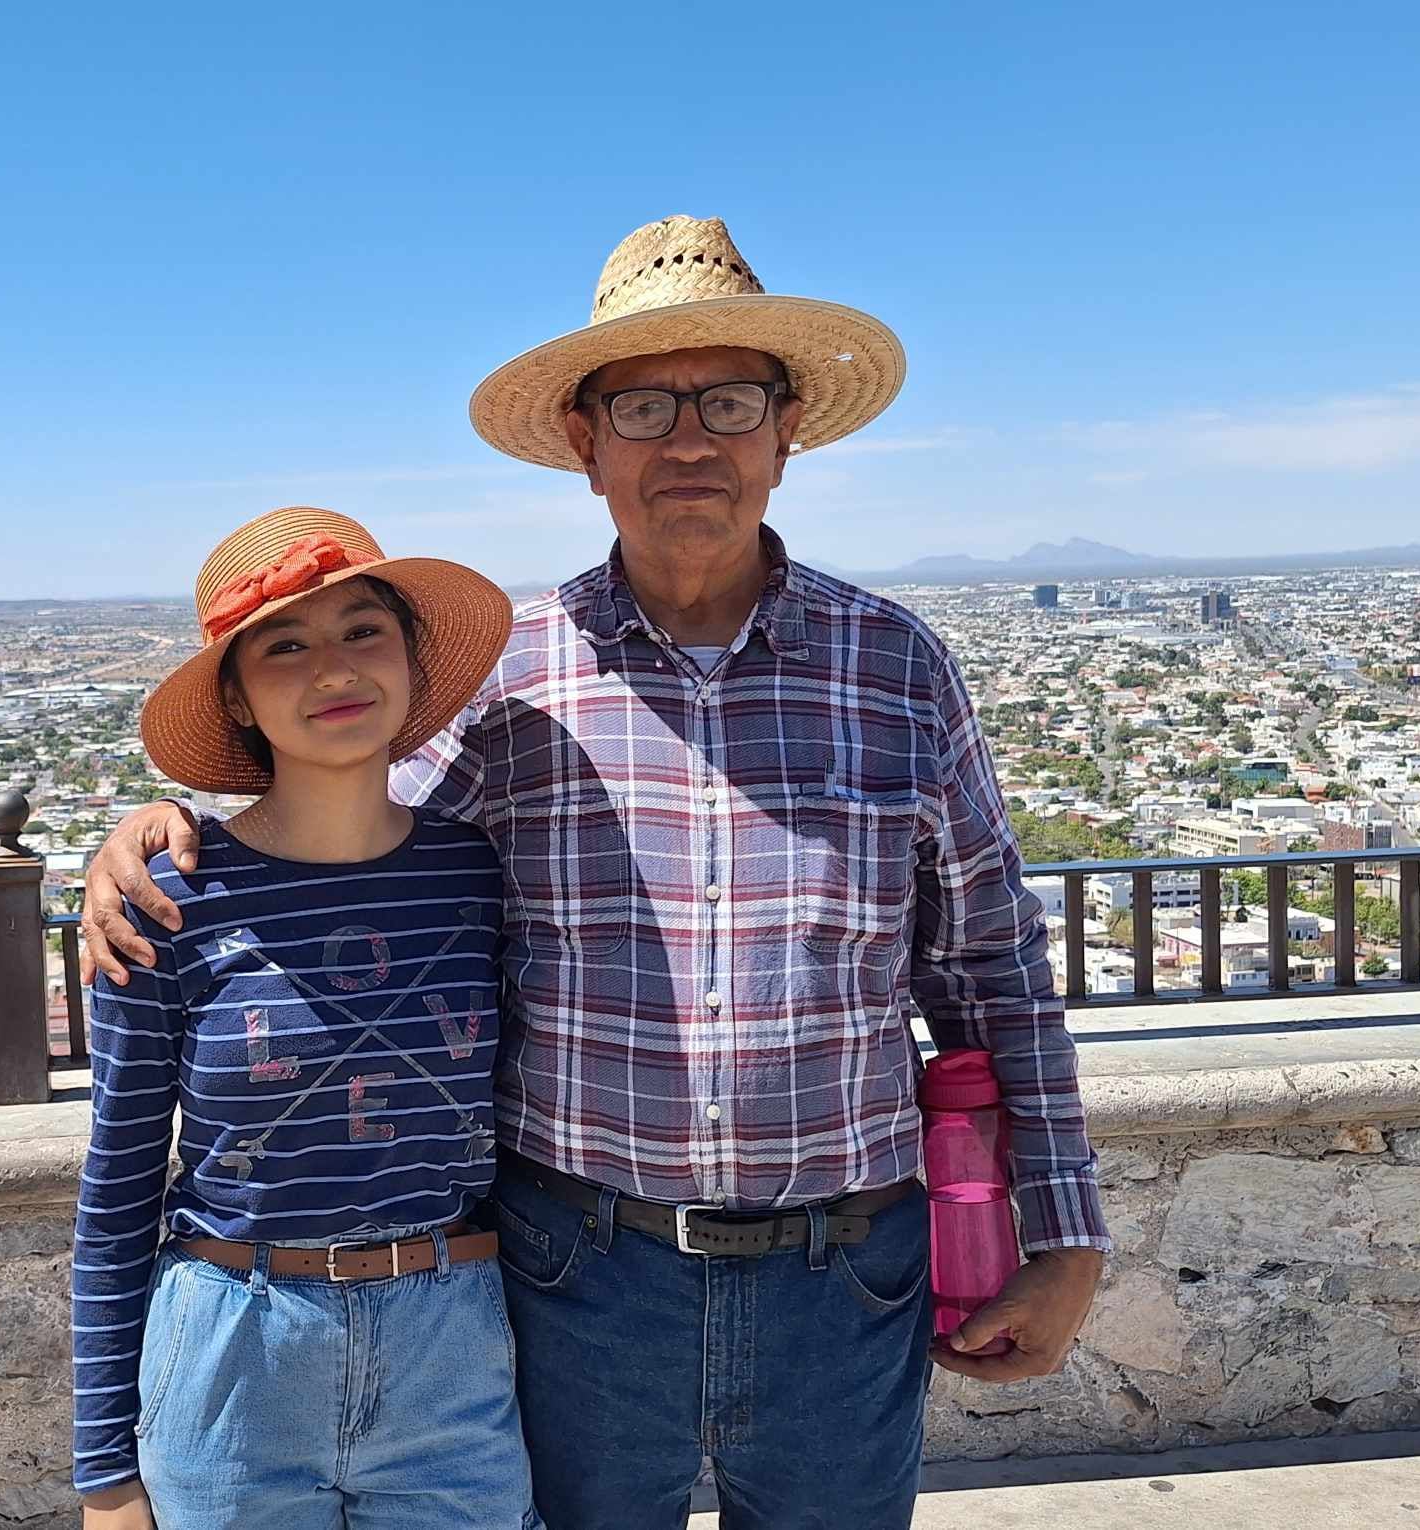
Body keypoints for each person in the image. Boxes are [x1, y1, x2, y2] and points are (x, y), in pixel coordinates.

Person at [84, 216, 1110, 1529]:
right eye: (644, 405)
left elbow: (993, 974)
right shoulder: (514, 681)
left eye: (730, 400)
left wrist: (1068, 1233)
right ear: (587, 444)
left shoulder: (895, 665)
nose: (690, 439)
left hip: (845, 1272)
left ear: (787, 431)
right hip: (582, 1278)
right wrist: (156, 840)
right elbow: (330, 821)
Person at [71, 505, 541, 1530]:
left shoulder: (479, 871)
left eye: (362, 630)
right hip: (235, 1350)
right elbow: (118, 1190)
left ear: (412, 665)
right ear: (237, 696)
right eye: (285, 644)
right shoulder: (165, 900)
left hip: (449, 1335)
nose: (333, 668)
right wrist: (103, 1474)